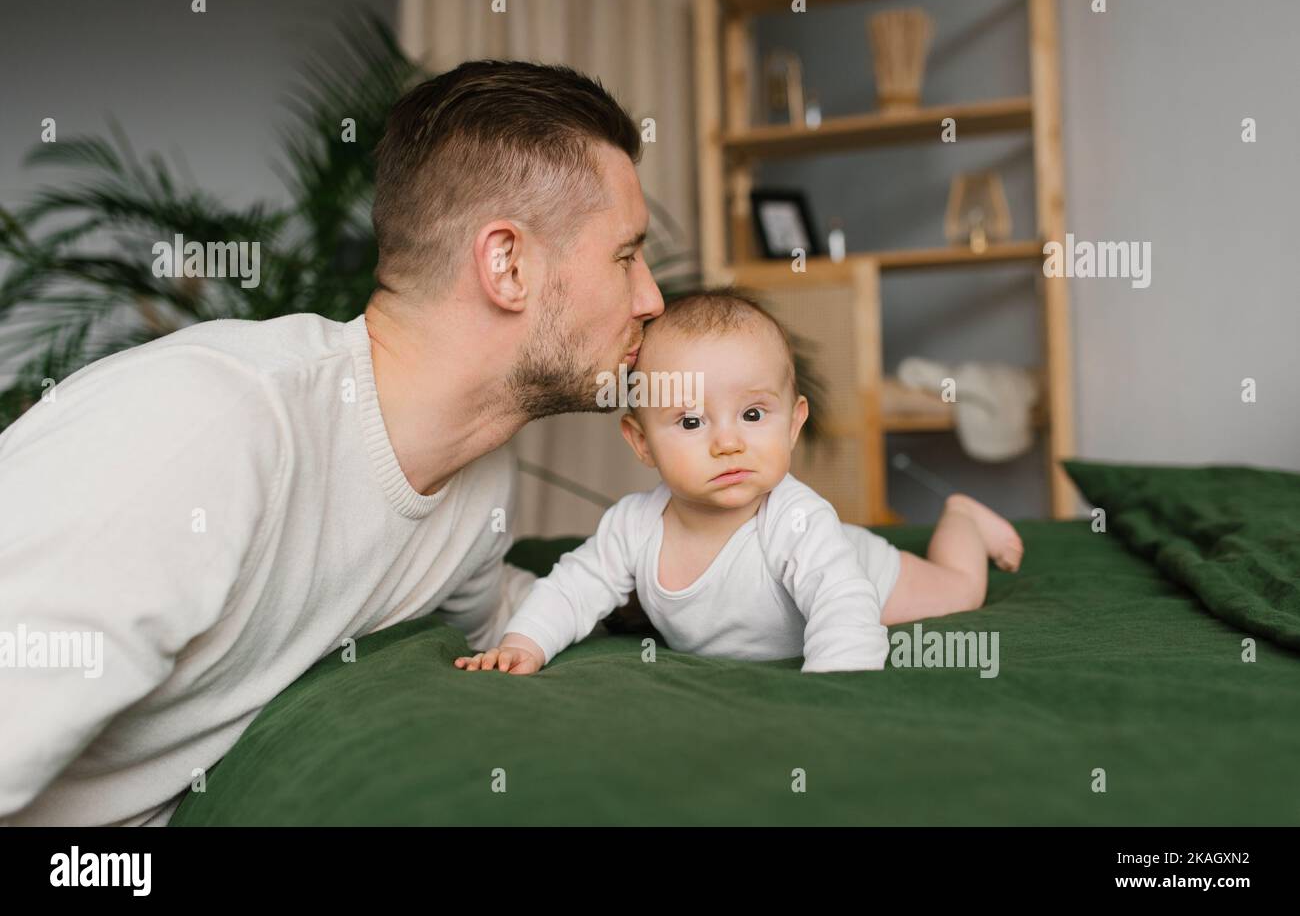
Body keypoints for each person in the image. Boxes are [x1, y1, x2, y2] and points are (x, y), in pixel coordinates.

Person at [0, 60, 664, 825]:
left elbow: (500, 610)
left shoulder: (476, 477)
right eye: (626, 256)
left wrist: (680, 577)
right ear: (507, 264)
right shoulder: (213, 430)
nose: (651, 298)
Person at [454, 290, 1024, 675]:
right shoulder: (633, 525)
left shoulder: (796, 519)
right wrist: (522, 643)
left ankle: (963, 518)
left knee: (959, 590)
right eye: (692, 421)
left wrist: (835, 691)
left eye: (753, 415)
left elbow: (844, 606)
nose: (727, 442)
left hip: (864, 570)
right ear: (642, 441)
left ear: (795, 421)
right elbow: (573, 587)